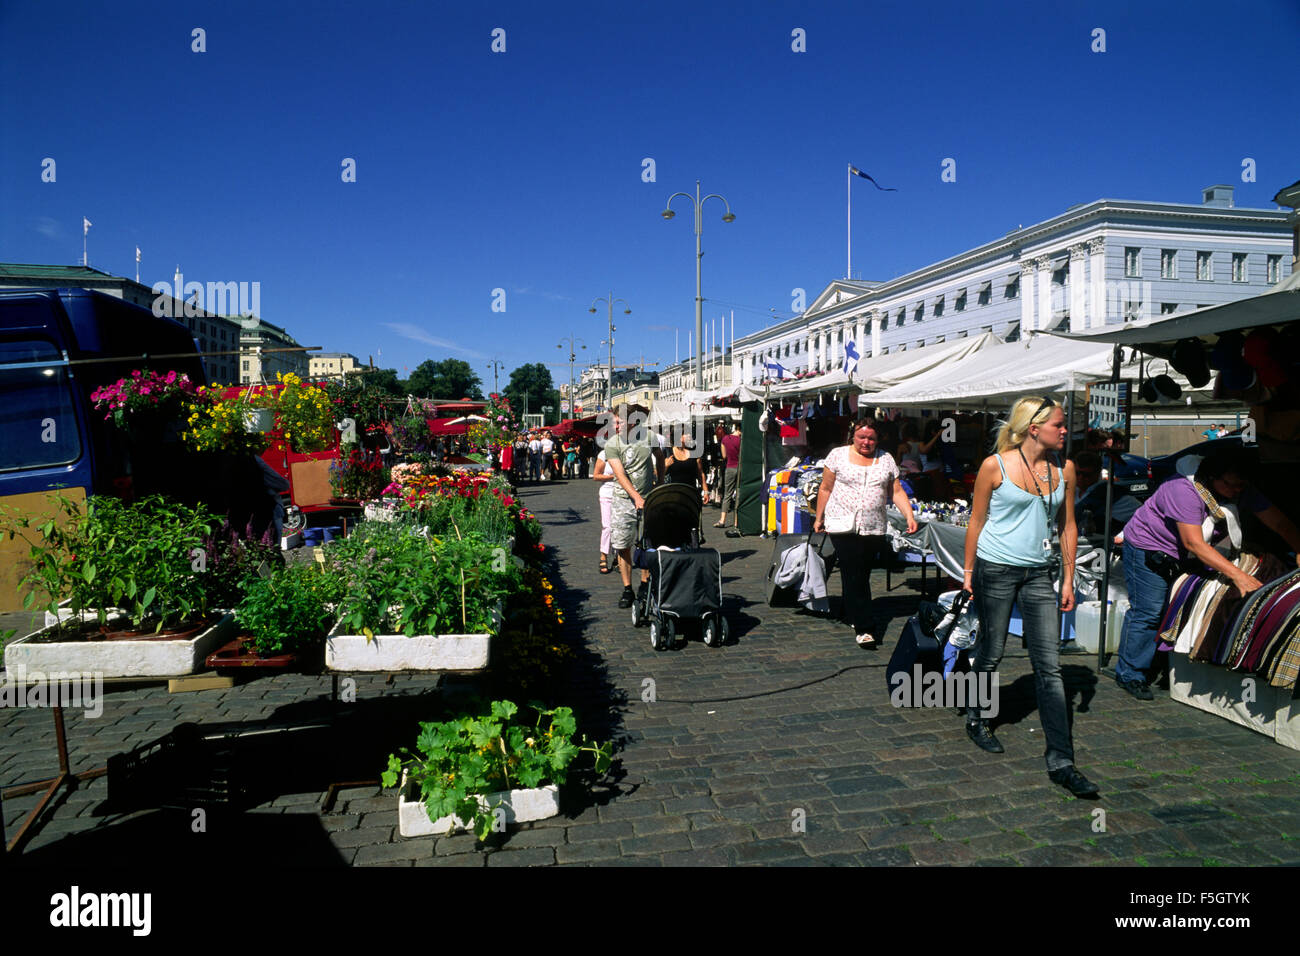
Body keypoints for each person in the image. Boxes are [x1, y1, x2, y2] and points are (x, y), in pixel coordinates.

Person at [962, 395, 1098, 797]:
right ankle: (976, 716)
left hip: (1040, 573)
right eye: (1059, 424)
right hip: (996, 569)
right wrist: (968, 572)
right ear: (1034, 428)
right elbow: (977, 519)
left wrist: (1069, 580)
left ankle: (1061, 760)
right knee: (993, 650)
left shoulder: (1066, 468)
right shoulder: (995, 465)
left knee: (1050, 666)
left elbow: (1068, 527)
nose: (1065, 430)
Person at [1114, 446, 1300, 700]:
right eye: (1232, 485)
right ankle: (1130, 673)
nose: (1237, 491)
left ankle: (1160, 660)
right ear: (1213, 477)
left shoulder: (1238, 487)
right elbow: (1194, 543)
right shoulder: (1182, 490)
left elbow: (1279, 523)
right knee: (1149, 611)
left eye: (1242, 486)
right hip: (1150, 548)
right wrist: (1239, 575)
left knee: (1180, 602)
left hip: (1188, 552)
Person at [814, 417, 918, 648]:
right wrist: (819, 518)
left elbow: (896, 491)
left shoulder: (886, 459)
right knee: (855, 572)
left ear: (878, 439)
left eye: (871, 438)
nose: (866, 442)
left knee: (859, 572)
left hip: (873, 526)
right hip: (842, 523)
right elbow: (826, 488)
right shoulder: (838, 455)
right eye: (862, 437)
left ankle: (848, 610)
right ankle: (865, 628)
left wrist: (909, 515)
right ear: (853, 435)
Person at [603, 404, 656, 608]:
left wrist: (659, 484)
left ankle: (644, 584)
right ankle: (627, 589)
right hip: (623, 501)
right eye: (613, 421)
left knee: (646, 544)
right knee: (622, 545)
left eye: (619, 422)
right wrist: (636, 497)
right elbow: (620, 475)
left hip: (647, 499)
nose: (615, 425)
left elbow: (660, 458)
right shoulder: (612, 444)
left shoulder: (649, 438)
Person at [592, 446, 617, 574]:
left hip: (623, 494)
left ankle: (618, 556)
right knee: (607, 526)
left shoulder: (628, 453)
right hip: (607, 493)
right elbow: (596, 476)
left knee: (620, 527)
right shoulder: (604, 454)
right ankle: (604, 555)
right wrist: (613, 476)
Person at [715, 422, 742, 529]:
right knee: (739, 495)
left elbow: (724, 455)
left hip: (730, 468)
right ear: (740, 429)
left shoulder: (725, 439)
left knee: (727, 494)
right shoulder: (741, 441)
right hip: (740, 468)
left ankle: (722, 520)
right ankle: (736, 522)